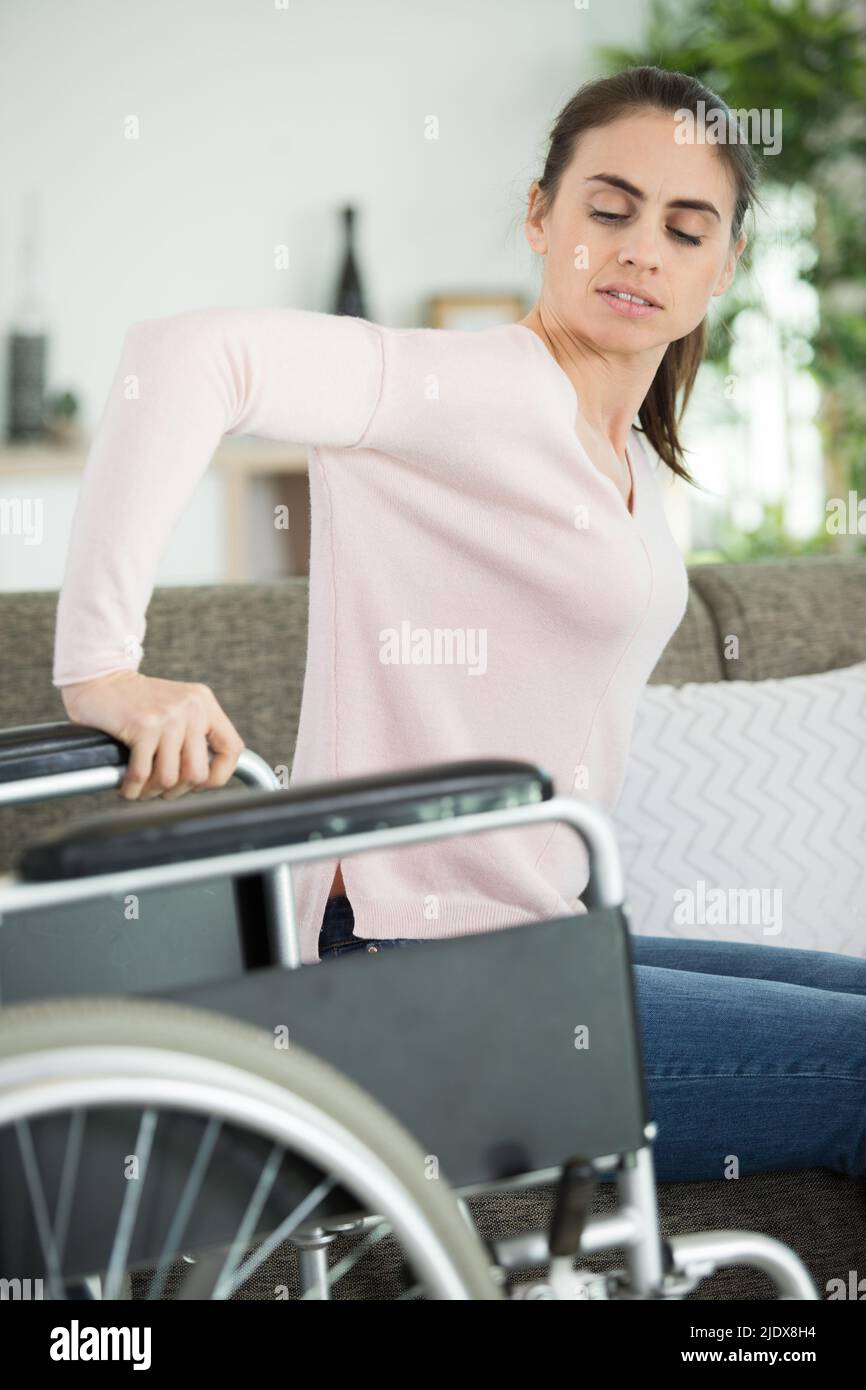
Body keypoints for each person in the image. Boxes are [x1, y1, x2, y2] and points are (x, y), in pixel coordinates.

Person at [52, 66, 866, 1182]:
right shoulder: (471, 386)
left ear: (722, 268)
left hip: (529, 943)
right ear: (540, 215)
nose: (639, 250)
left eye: (684, 230)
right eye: (607, 209)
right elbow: (186, 355)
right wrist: (100, 664)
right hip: (403, 972)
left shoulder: (626, 452)